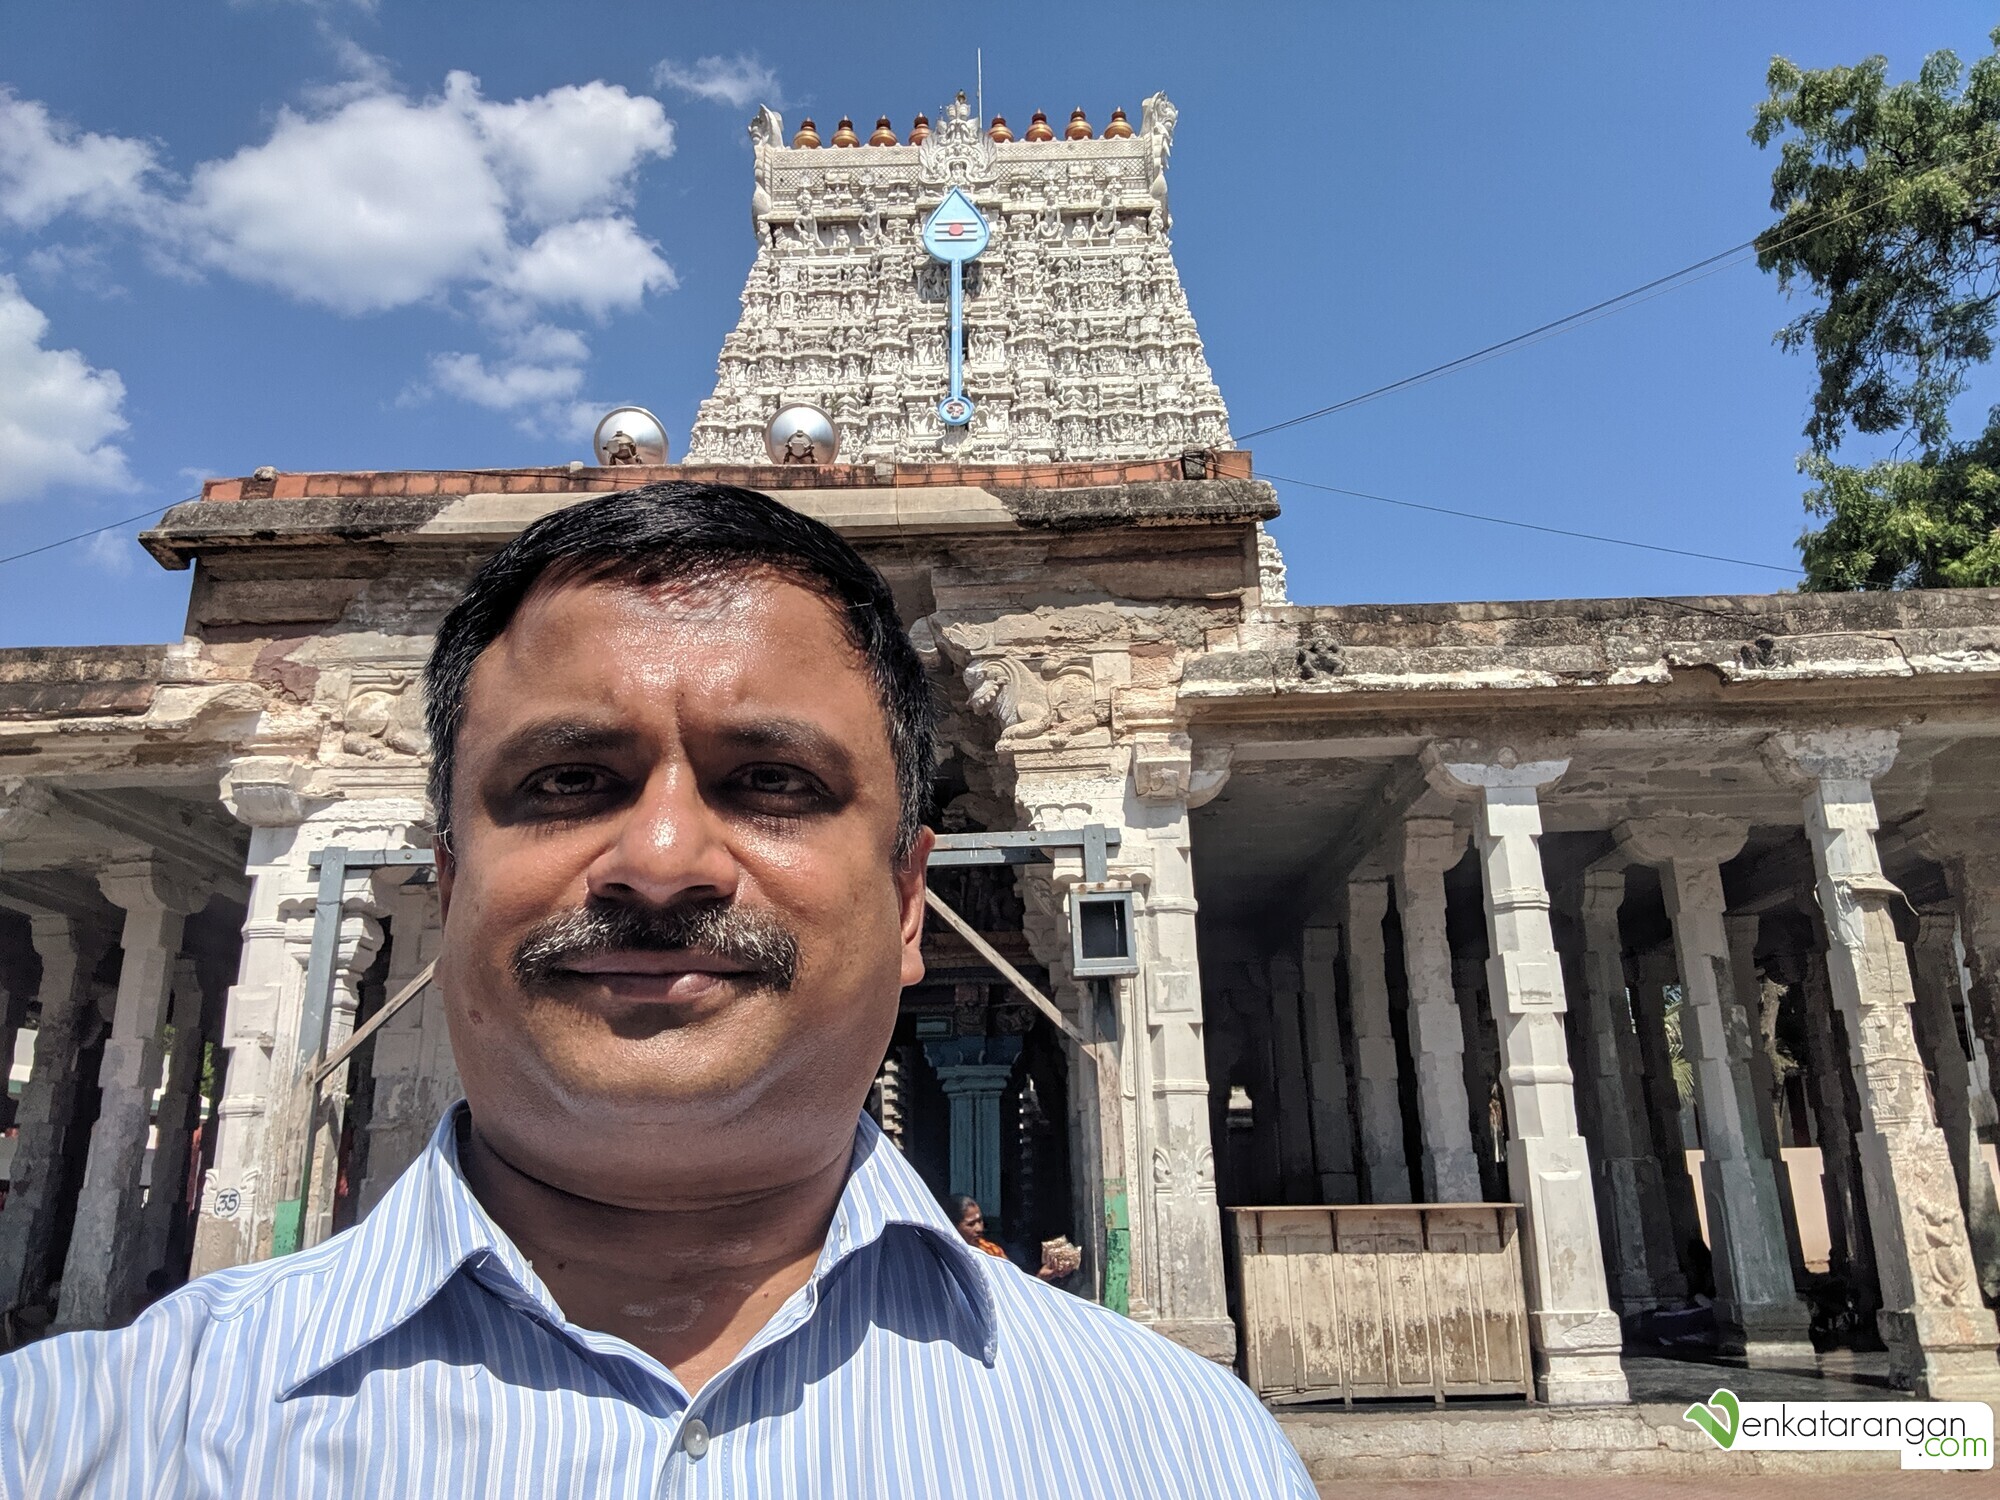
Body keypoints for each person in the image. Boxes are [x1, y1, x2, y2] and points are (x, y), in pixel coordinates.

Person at [0, 484, 1313, 1497]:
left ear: (910, 898)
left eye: (774, 781)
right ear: (446, 884)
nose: (663, 862)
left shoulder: (1179, 1454)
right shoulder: (108, 1444)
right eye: (568, 781)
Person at [946, 1193, 1008, 1259]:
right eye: (971, 1224)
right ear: (953, 1226)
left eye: (980, 1221)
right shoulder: (944, 1255)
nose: (979, 1229)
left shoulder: (993, 1253)